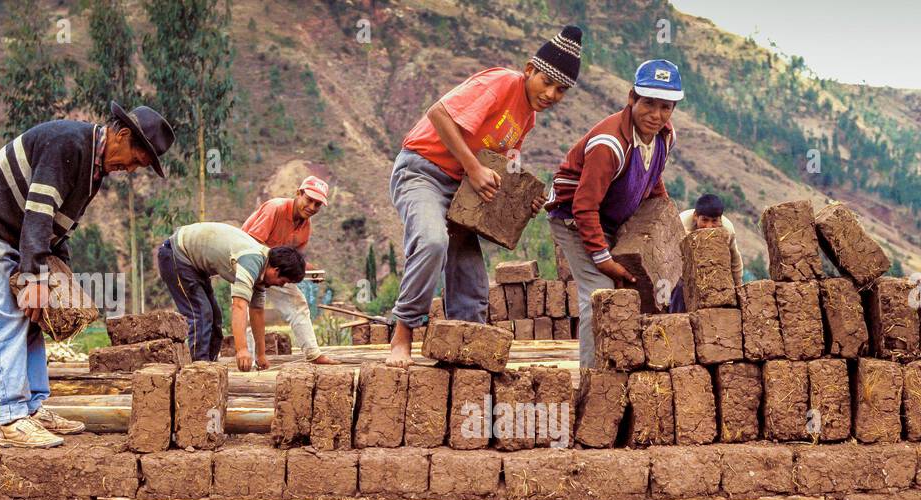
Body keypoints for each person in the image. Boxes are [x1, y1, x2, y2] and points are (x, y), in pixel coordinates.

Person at [0, 101, 174, 447]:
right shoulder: (68, 143)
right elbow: (38, 213)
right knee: (3, 318)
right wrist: (36, 279)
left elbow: (58, 227)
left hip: (14, 233)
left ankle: (34, 408)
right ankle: (11, 418)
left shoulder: (93, 172)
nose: (130, 169)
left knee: (33, 319)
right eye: (134, 160)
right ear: (123, 135)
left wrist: (60, 278)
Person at [385, 25, 582, 366]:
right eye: (546, 82)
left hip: (461, 188)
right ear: (529, 69)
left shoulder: (529, 117)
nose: (551, 94)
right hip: (422, 170)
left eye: (561, 90)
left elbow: (506, 166)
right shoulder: (501, 82)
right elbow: (439, 113)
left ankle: (464, 354)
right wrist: (474, 168)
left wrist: (524, 199)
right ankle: (403, 333)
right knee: (432, 242)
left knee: (472, 283)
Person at [546, 59, 683, 368]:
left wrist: (662, 221)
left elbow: (652, 175)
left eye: (666, 107)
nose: (656, 115)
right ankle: (592, 380)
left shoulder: (665, 137)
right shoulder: (609, 145)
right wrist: (603, 259)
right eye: (648, 103)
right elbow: (584, 205)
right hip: (573, 219)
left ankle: (631, 369)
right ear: (631, 98)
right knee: (600, 295)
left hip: (613, 218)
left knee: (645, 289)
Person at [156, 222, 305, 371]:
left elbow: (257, 313)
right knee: (201, 313)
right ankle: (199, 371)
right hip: (175, 254)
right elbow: (239, 305)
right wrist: (241, 350)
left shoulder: (262, 273)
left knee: (215, 317)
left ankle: (211, 368)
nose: (280, 285)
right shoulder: (251, 261)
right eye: (283, 281)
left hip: (194, 265)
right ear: (276, 270)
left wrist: (261, 355)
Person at [240, 175, 338, 364]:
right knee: (247, 309)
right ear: (298, 193)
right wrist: (261, 276)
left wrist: (308, 272)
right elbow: (251, 244)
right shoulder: (275, 208)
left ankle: (313, 353)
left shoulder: (305, 226)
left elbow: (293, 260)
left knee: (298, 303)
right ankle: (249, 361)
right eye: (309, 200)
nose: (311, 207)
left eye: (317, 204)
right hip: (249, 264)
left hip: (276, 270)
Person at [670, 193, 744, 312]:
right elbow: (671, 257)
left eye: (714, 221)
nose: (709, 226)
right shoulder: (681, 224)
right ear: (695, 216)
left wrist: (738, 288)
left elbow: (735, 261)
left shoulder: (728, 230)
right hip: (681, 271)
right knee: (679, 288)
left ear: (720, 219)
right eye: (704, 220)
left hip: (713, 273)